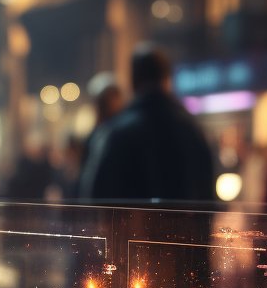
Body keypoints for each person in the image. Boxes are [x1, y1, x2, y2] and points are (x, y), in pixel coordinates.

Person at [78, 43, 216, 203]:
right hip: (185, 220)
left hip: (129, 221)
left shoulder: (116, 134)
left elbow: (96, 196)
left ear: (133, 81)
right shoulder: (192, 130)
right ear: (167, 80)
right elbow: (208, 197)